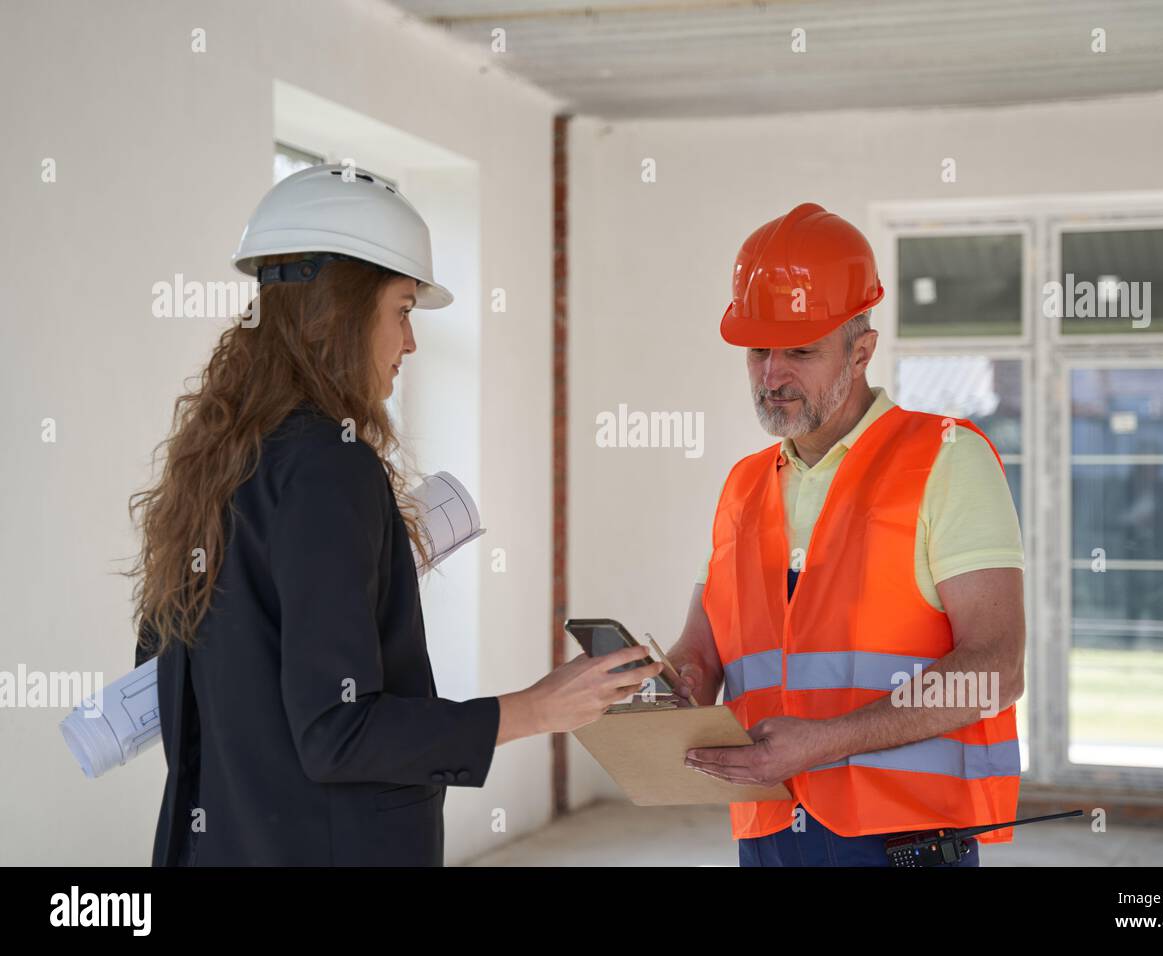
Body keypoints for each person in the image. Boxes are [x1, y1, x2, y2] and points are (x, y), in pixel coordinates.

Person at [129, 164, 660, 866]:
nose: (410, 343)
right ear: (341, 311)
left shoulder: (216, 459)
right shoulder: (330, 465)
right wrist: (537, 708)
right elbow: (337, 732)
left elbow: (175, 674)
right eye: (403, 310)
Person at [665, 203, 1024, 867]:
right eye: (758, 351)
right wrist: (672, 686)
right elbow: (702, 650)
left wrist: (823, 742)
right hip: (768, 827)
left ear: (862, 351)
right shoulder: (743, 486)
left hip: (903, 840)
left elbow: (996, 668)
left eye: (800, 351)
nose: (772, 375)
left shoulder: (945, 458)